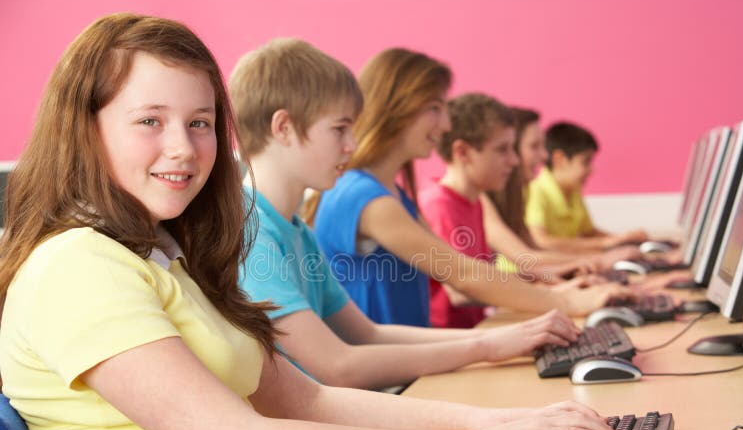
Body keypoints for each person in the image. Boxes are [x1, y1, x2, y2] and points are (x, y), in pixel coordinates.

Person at [0, 14, 620, 430]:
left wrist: (507, 424)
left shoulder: (170, 256)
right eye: (149, 122)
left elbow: (312, 401)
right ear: (85, 129)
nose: (183, 148)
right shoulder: (77, 267)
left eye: (200, 123)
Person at [231, 38, 586, 389]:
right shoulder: (253, 232)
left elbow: (368, 335)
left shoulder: (295, 229)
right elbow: (337, 366)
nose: (351, 144)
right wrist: (489, 346)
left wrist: (502, 339)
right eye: (340, 129)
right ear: (283, 128)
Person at [312, 48, 626, 329]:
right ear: (398, 108)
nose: (446, 124)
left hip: (405, 364)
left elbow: (465, 270)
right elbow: (462, 276)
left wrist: (553, 291)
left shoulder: (391, 194)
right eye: (435, 108)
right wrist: (566, 302)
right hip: (386, 372)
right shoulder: (364, 198)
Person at [482, 107, 642, 275]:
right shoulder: (487, 200)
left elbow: (534, 250)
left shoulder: (519, 194)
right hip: (516, 283)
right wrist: (600, 257)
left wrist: (601, 255)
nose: (544, 156)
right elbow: (527, 256)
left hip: (526, 281)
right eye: (534, 146)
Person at [526, 121, 650, 252]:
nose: (591, 170)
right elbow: (541, 241)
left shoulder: (573, 191)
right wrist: (605, 242)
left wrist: (622, 239)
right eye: (585, 162)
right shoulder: (536, 191)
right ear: (560, 159)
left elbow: (589, 233)